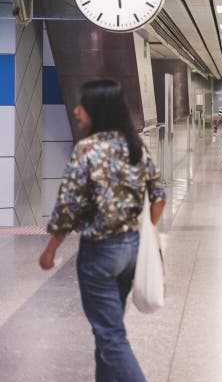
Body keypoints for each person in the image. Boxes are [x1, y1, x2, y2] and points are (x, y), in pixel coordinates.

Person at [39, 79, 166, 382]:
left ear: (97, 109)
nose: (76, 110)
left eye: (82, 105)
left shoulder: (87, 149)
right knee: (107, 330)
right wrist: (143, 230)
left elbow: (67, 206)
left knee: (110, 336)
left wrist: (50, 249)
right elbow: (159, 197)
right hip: (131, 250)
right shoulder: (136, 146)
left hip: (100, 253)